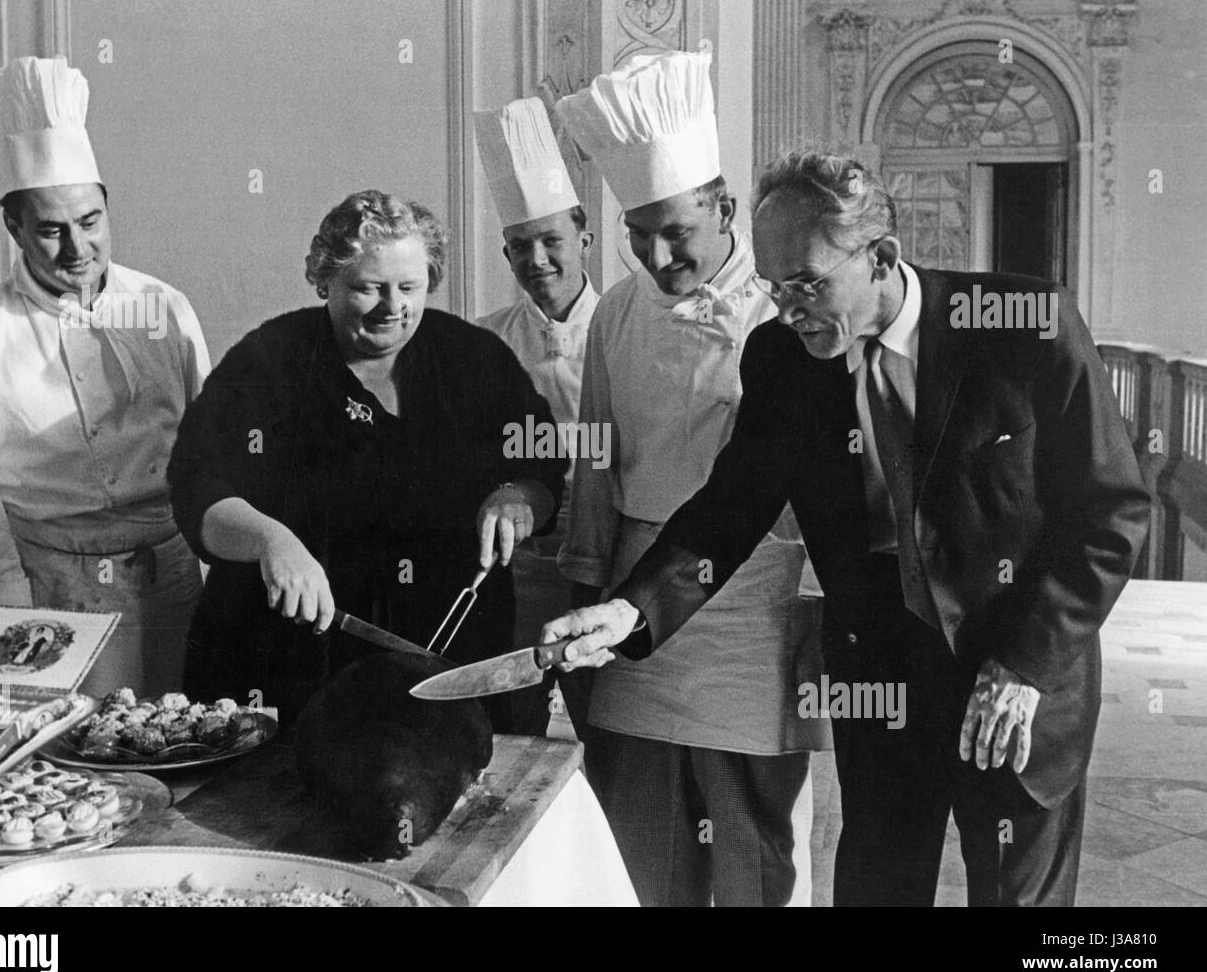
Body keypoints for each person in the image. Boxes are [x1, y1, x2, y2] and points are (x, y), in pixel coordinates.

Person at [544, 151, 1152, 907]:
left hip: (1016, 663)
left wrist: (1024, 665)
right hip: (884, 668)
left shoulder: (1023, 324)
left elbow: (1111, 510)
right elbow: (733, 502)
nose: (786, 307)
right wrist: (632, 606)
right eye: (772, 285)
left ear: (882, 258)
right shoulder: (781, 357)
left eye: (807, 284)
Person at [547, 51, 828, 907]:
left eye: (677, 230)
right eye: (637, 232)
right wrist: (586, 589)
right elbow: (596, 467)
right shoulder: (618, 318)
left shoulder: (783, 313)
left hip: (755, 617)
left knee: (750, 858)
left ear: (725, 208)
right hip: (638, 611)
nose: (657, 253)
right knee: (639, 855)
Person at [167, 190, 566, 726]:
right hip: (286, 664)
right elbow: (199, 484)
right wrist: (271, 540)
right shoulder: (271, 360)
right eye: (367, 288)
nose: (392, 307)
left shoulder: (472, 357)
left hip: (451, 661)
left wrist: (517, 498)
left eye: (410, 287)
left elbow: (541, 458)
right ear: (324, 280)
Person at [0, 57, 210, 697]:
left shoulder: (165, 310)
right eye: (50, 230)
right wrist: (12, 621)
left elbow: (208, 450)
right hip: (51, 594)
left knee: (188, 751)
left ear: (107, 209)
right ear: (12, 226)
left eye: (89, 222)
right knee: (78, 770)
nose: (77, 250)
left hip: (172, 579)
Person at [473, 97, 600, 738]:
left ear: (585, 236)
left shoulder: (627, 326)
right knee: (511, 732)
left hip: (603, 568)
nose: (538, 260)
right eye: (521, 246)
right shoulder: (483, 343)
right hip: (515, 575)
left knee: (603, 740)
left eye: (552, 240)